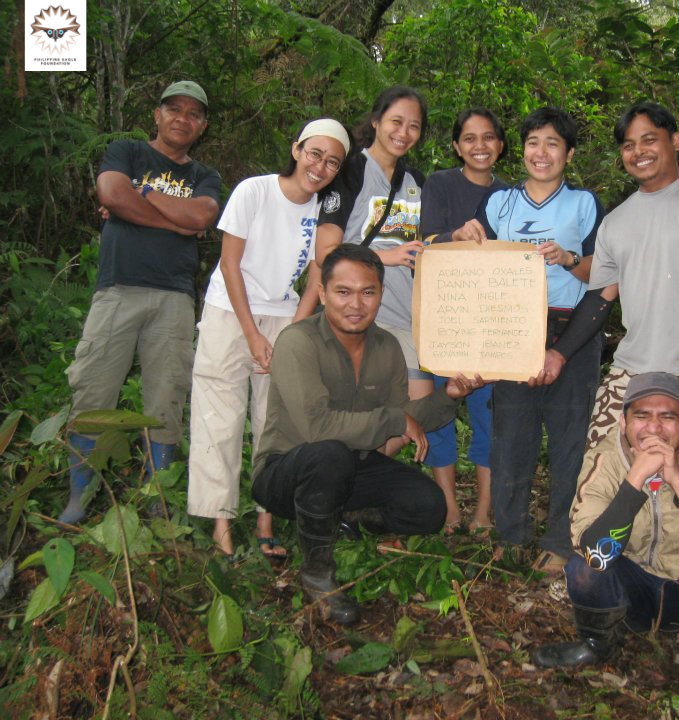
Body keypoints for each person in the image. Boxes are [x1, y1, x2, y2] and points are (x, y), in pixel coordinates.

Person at [251, 244, 484, 625]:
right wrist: (393, 420)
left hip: (353, 466)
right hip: (286, 472)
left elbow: (401, 419)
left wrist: (448, 397)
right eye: (343, 292)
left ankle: (339, 519)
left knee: (429, 505)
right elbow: (318, 428)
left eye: (368, 292)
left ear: (379, 293)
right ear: (323, 293)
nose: (355, 304)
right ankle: (317, 575)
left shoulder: (387, 346)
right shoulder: (298, 341)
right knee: (329, 453)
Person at [541, 101, 679, 448]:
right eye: (628, 145)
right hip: (630, 369)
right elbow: (601, 298)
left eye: (649, 140)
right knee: (601, 468)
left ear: (675, 141)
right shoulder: (615, 222)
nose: (638, 152)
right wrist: (558, 353)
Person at [532, 373, 679, 699]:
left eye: (668, 417)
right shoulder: (604, 460)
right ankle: (596, 644)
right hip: (632, 593)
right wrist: (635, 478)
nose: (653, 427)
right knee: (583, 569)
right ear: (625, 422)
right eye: (641, 416)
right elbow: (597, 553)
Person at [187, 119, 350, 561]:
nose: (321, 166)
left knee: (274, 421)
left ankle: (266, 518)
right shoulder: (254, 191)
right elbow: (230, 262)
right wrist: (251, 333)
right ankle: (220, 523)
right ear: (297, 149)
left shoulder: (323, 211)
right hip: (229, 311)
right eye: (315, 153)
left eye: (333, 161)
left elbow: (318, 275)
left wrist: (294, 331)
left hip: (284, 314)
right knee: (218, 416)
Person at [60, 80, 221, 524]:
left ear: (202, 125)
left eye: (193, 114)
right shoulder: (127, 151)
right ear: (157, 114)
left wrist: (143, 194)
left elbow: (203, 215)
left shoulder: (204, 176)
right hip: (117, 289)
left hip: (174, 298)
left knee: (167, 395)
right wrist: (177, 223)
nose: (182, 119)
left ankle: (158, 495)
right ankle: (81, 494)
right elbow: (112, 193)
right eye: (174, 109)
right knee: (94, 387)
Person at [457, 106, 604, 573]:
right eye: (534, 142)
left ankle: (560, 542)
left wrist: (567, 257)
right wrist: (464, 237)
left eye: (553, 143)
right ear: (521, 150)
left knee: (568, 440)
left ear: (570, 153)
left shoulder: (585, 203)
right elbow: (477, 265)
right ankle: (510, 536)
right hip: (512, 326)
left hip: (572, 329)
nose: (542, 153)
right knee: (511, 438)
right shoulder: (500, 202)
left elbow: (603, 276)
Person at [314, 86, 432, 457]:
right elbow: (325, 253)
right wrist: (386, 257)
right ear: (377, 121)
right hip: (354, 312)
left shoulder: (416, 182)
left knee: (419, 405)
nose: (404, 132)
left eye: (414, 126)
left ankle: (367, 481)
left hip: (402, 315)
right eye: (396, 121)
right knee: (350, 409)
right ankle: (346, 490)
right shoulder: (349, 171)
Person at [420, 107, 508, 532]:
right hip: (443, 317)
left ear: (501, 146)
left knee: (488, 416)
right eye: (469, 138)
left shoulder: (513, 195)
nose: (479, 146)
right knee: (439, 411)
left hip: (492, 323)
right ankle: (449, 507)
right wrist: (452, 237)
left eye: (488, 137)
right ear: (456, 146)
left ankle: (483, 511)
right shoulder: (439, 185)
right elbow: (423, 245)